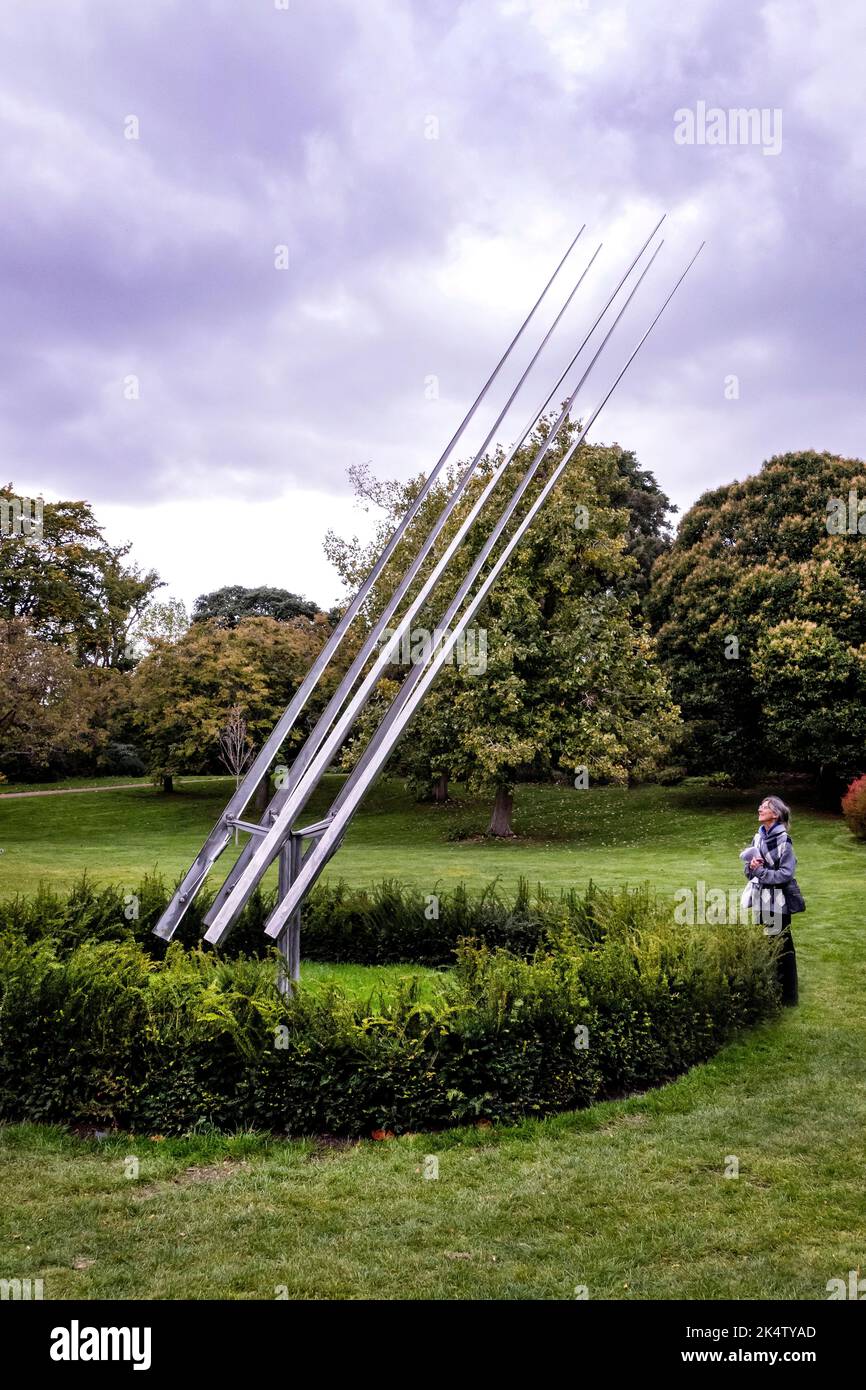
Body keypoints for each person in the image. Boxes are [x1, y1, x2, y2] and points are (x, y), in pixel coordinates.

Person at [739, 795, 799, 1006]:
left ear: (776, 814)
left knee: (782, 946)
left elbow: (786, 874)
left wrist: (761, 871)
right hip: (760, 900)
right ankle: (769, 990)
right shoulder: (758, 838)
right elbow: (749, 872)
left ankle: (789, 997)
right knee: (764, 944)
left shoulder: (784, 841)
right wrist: (751, 866)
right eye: (760, 806)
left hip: (779, 902)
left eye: (765, 807)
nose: (760, 809)